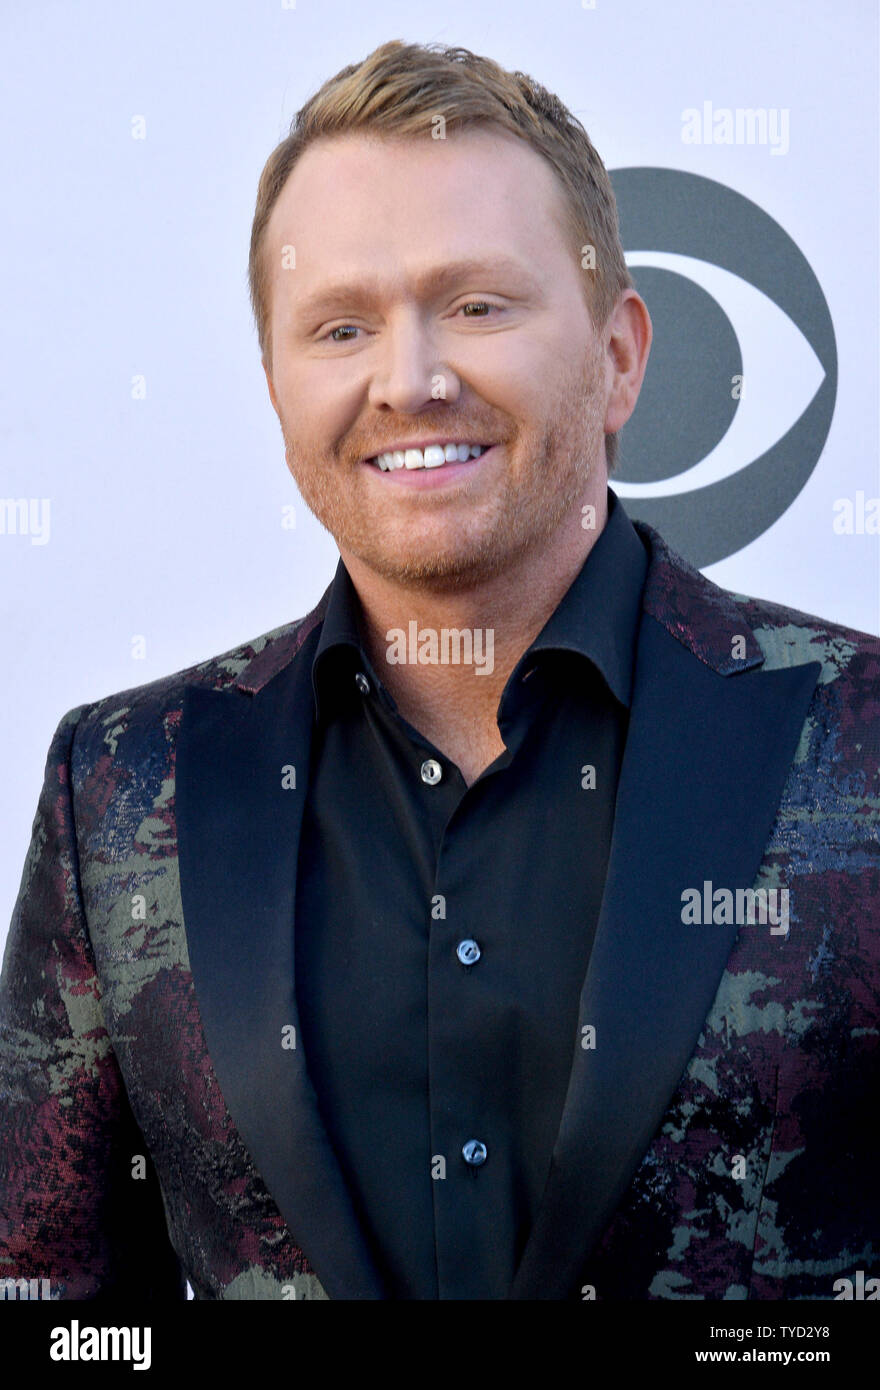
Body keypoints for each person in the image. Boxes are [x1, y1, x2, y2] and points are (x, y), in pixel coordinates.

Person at [1, 39, 877, 1302]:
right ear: (276, 387)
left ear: (621, 355)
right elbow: (53, 1310)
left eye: (476, 305)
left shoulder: (855, 735)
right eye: (341, 325)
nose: (408, 381)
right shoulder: (124, 787)